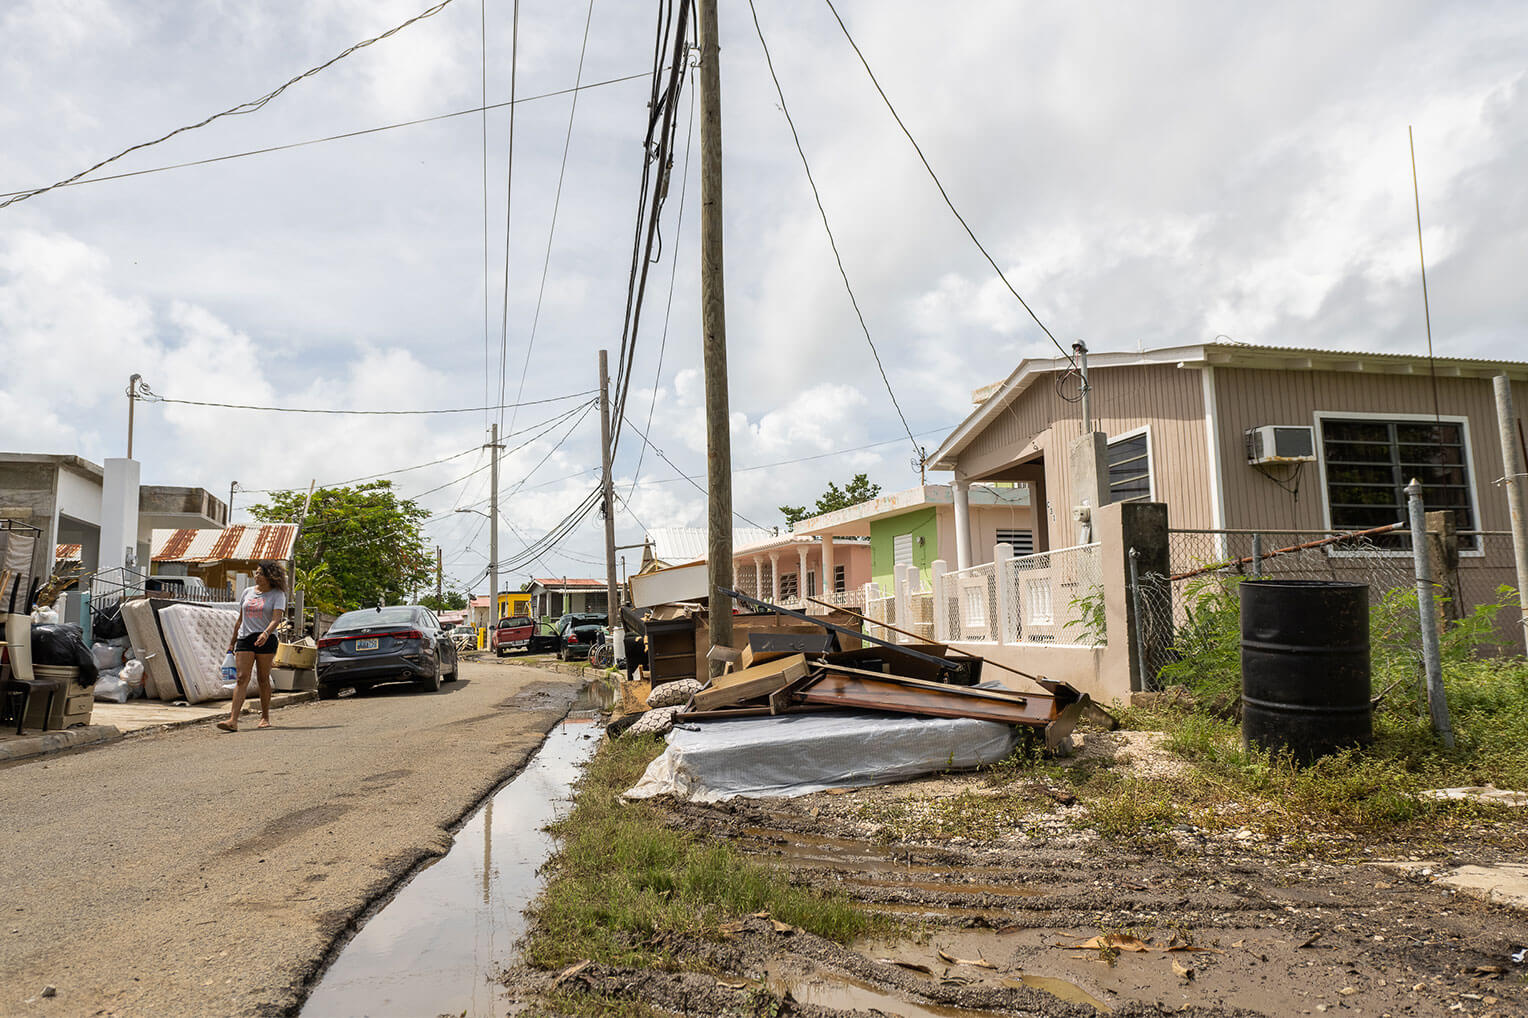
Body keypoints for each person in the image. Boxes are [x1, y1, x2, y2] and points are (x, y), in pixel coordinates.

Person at [217, 562, 288, 732]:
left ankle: (265, 717)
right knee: (242, 678)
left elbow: (276, 619)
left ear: (270, 576)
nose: (256, 576)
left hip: (266, 638)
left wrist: (266, 633)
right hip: (245, 639)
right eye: (255, 573)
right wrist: (232, 642)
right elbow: (240, 619)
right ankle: (233, 720)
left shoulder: (278, 594)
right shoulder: (247, 592)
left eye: (260, 574)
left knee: (263, 678)